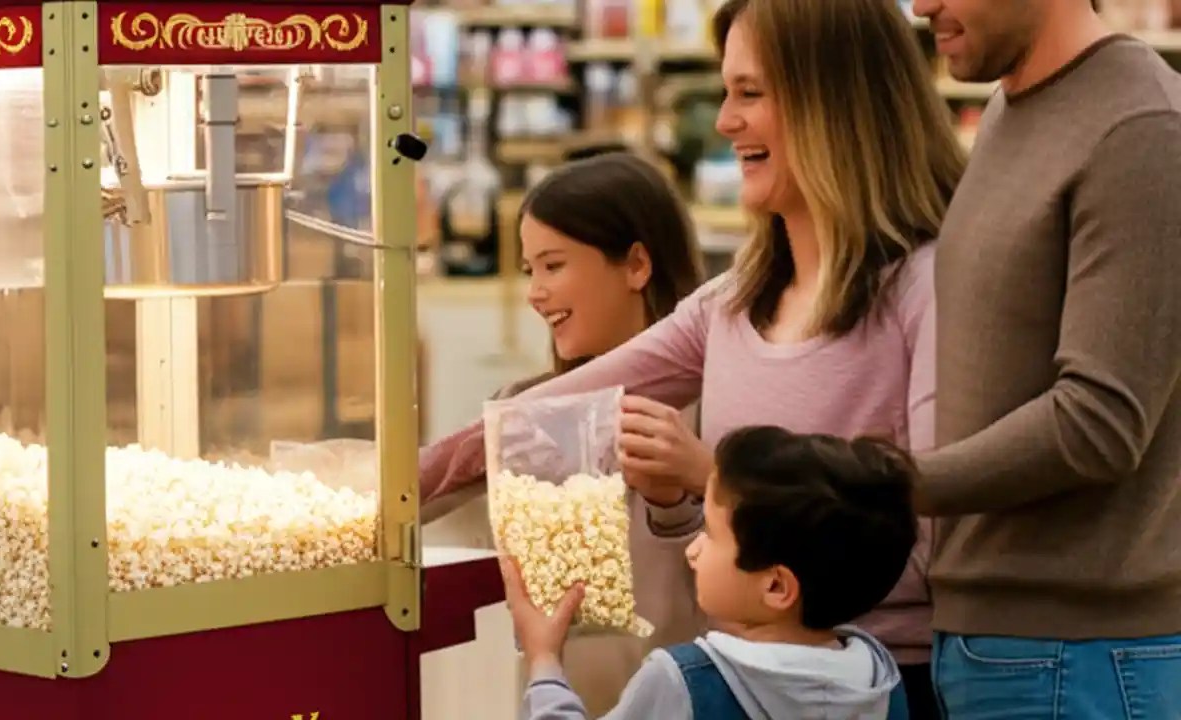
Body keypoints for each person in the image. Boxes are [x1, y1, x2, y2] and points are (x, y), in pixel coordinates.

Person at [421, 0, 966, 715]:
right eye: (725, 92)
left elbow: (938, 539)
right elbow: (527, 420)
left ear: (834, 103)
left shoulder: (929, 288)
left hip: (880, 689)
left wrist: (710, 478)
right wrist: (369, 502)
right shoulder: (733, 300)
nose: (724, 122)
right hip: (733, 687)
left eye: (750, 93)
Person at [908, 0, 1181, 717]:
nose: (920, 6)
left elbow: (1100, 422)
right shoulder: (1010, 107)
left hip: (1078, 659)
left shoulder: (1140, 128)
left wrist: (891, 484)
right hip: (1001, 645)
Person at [422, 150, 707, 714]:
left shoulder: (709, 403)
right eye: (530, 270)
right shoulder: (525, 413)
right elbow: (431, 494)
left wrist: (678, 498)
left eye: (554, 266)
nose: (534, 292)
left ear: (636, 265)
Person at [505, 425, 917, 719]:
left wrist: (544, 665)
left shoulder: (684, 680)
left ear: (776, 586)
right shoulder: (879, 681)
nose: (693, 549)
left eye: (712, 533)